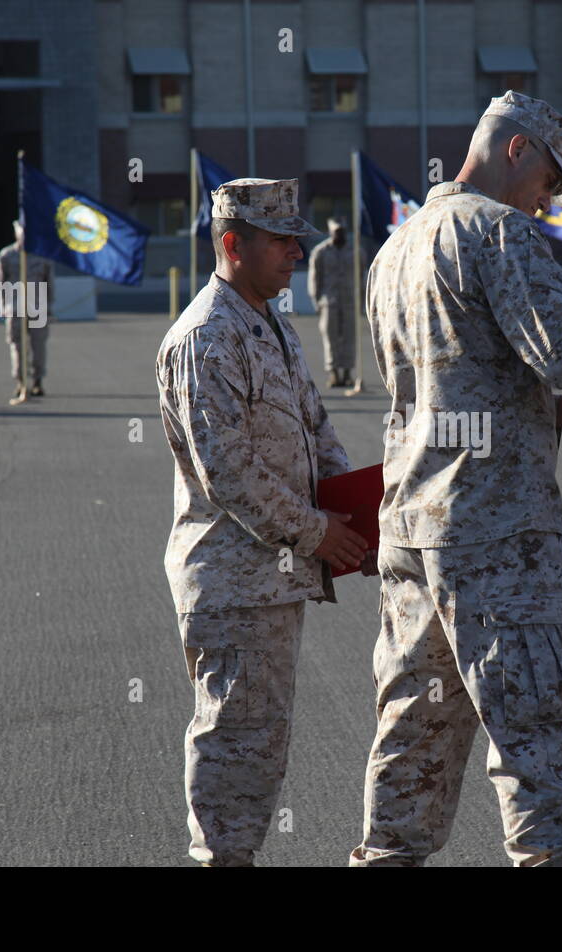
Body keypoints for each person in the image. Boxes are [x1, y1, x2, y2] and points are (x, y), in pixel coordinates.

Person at [349, 91, 562, 867]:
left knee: (412, 747)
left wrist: (548, 414)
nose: (551, 201)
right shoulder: (498, 232)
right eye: (552, 182)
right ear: (518, 150)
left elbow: (443, 392)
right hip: (495, 536)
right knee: (540, 748)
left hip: (412, 530)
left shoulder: (396, 247)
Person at [155, 177, 371, 866]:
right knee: (232, 745)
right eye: (280, 241)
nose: (295, 252)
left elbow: (315, 424)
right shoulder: (206, 338)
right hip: (232, 581)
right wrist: (319, 533)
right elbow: (232, 476)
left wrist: (350, 506)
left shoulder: (270, 323)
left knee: (262, 744)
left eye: (295, 238)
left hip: (271, 581)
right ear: (231, 244)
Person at [0, 220, 54, 404]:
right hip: (15, 308)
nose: (25, 236)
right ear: (16, 234)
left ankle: (37, 381)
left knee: (38, 346)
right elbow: (0, 283)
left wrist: (49, 306)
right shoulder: (6, 255)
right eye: (22, 232)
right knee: (17, 346)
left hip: (37, 307)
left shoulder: (42, 255)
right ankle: (20, 382)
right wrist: (3, 305)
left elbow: (49, 282)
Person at [307, 216, 363, 387]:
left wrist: (362, 299)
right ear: (330, 232)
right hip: (328, 301)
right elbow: (314, 278)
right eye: (337, 232)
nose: (340, 235)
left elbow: (362, 276)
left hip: (349, 300)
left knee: (349, 337)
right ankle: (333, 372)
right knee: (330, 337)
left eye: (343, 231)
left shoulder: (356, 251)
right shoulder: (321, 252)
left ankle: (347, 372)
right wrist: (316, 300)